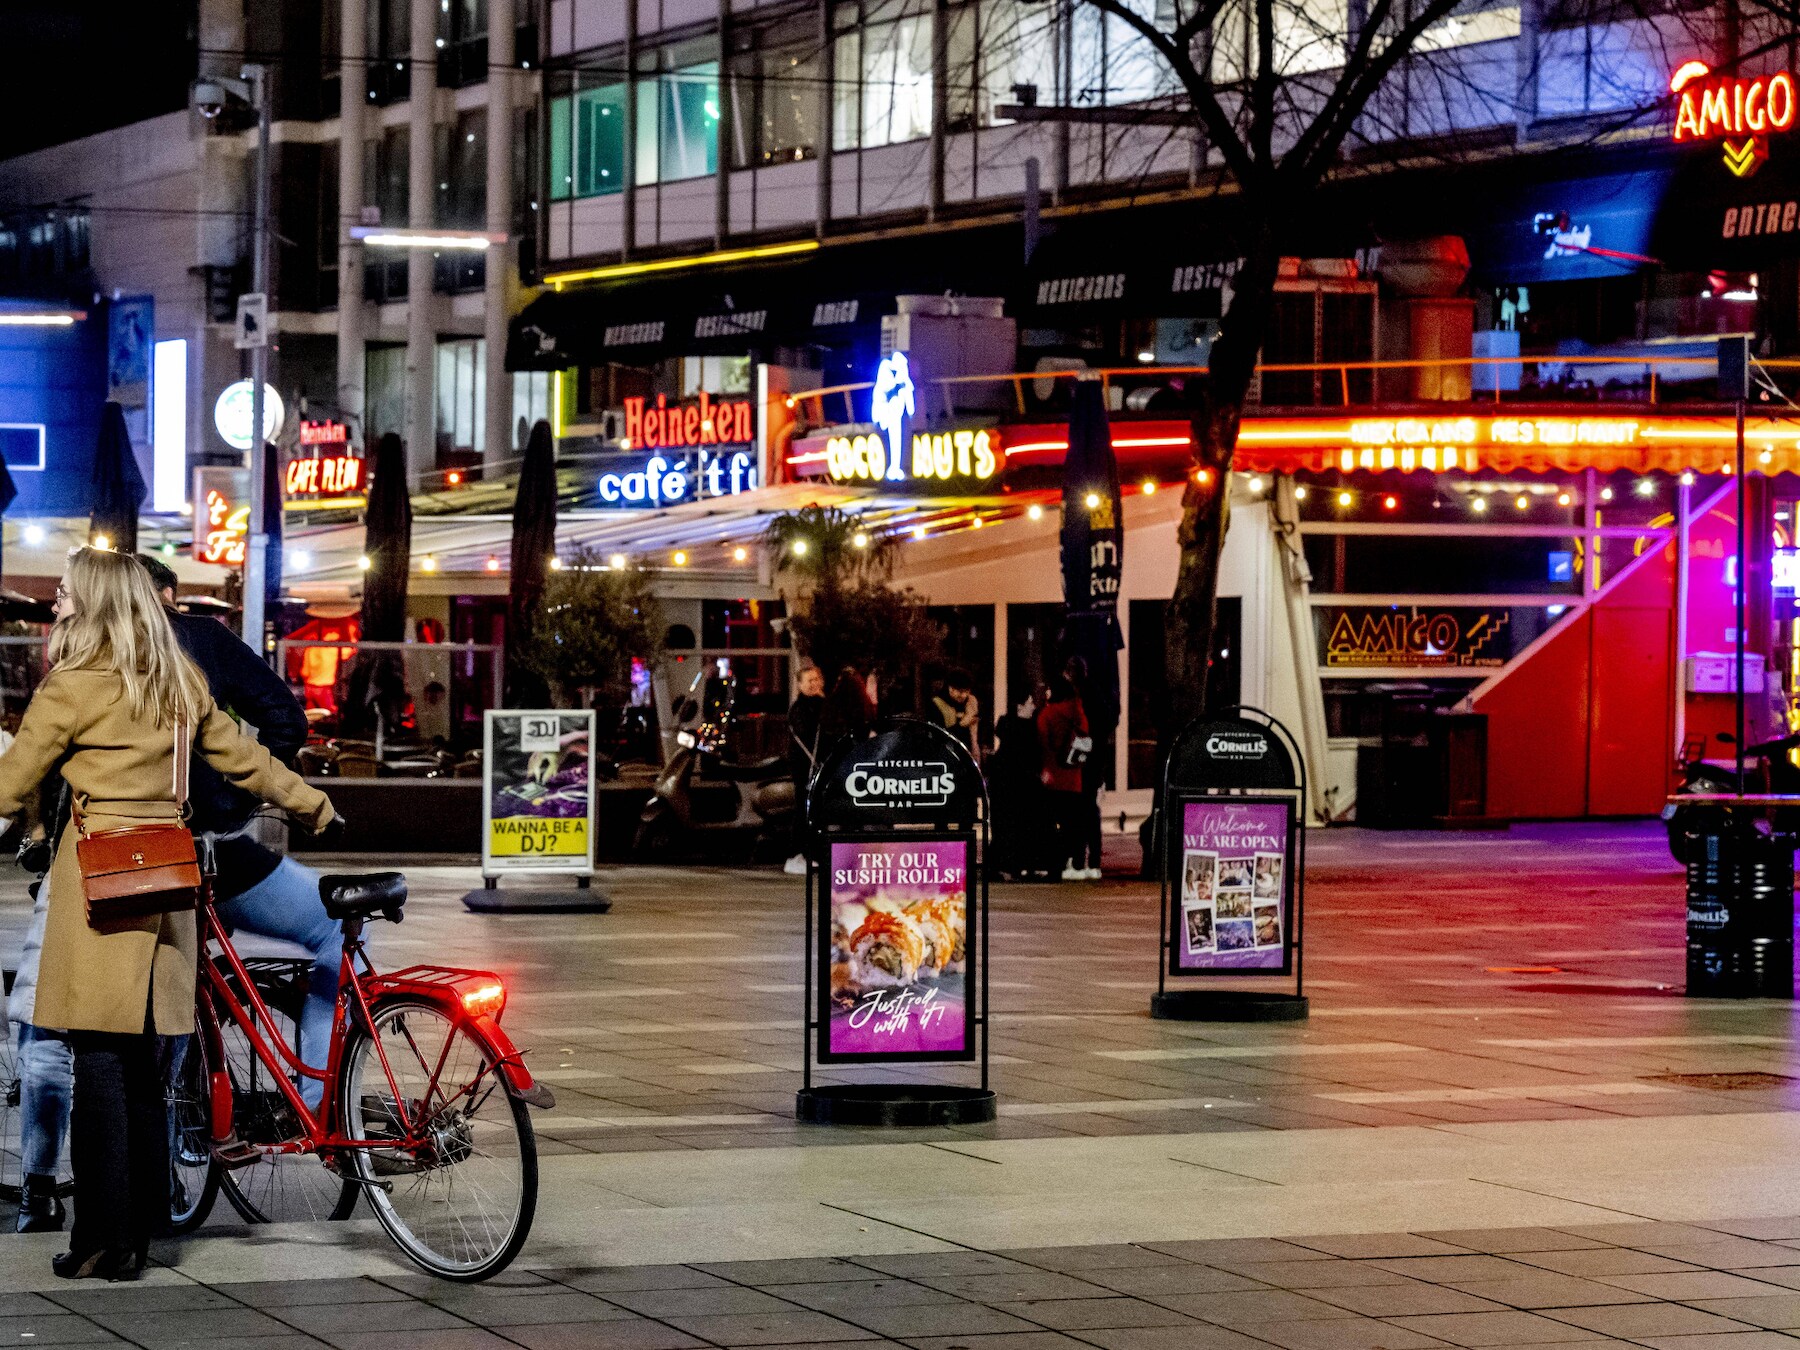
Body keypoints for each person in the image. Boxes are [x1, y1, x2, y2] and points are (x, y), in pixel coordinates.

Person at [0, 547, 333, 1281]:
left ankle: (100, 1240)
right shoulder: (177, 681)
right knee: (148, 1063)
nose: (57, 603)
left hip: (101, 882)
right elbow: (247, 759)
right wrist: (312, 805)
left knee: (99, 1063)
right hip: (170, 875)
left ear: (92, 602)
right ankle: (145, 1222)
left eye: (65, 593)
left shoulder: (73, 686)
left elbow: (10, 782)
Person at [135, 554, 344, 1110]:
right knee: (338, 927)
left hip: (125, 863)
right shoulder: (200, 638)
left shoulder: (87, 653)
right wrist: (233, 803)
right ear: (167, 596)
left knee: (156, 988)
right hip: (217, 854)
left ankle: (171, 1135)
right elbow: (286, 720)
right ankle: (317, 1098)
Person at [1036, 672, 1090, 881]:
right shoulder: (1078, 710)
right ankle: (1073, 861)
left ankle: (1053, 865)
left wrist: (1045, 770)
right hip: (1074, 777)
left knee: (1050, 824)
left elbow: (1042, 742)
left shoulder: (1048, 714)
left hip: (1053, 777)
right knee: (1072, 825)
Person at [989, 692, 1045, 881]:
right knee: (1014, 825)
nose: (1033, 706)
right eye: (1029, 702)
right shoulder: (1025, 729)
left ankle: (1006, 866)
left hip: (1006, 781)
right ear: (1020, 707)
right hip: (1017, 782)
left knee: (1006, 825)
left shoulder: (1007, 727)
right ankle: (1012, 865)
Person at [783, 665, 826, 876]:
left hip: (819, 767)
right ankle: (795, 855)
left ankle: (812, 854)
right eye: (809, 680)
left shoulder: (823, 705)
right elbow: (806, 735)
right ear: (800, 685)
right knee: (803, 809)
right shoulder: (799, 709)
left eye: (816, 679)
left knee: (817, 812)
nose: (814, 683)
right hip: (804, 767)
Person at [931, 669, 980, 756]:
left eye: (967, 691)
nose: (964, 695)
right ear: (951, 688)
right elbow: (938, 736)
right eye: (961, 691)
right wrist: (961, 725)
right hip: (948, 755)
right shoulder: (937, 703)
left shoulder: (971, 702)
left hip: (970, 754)